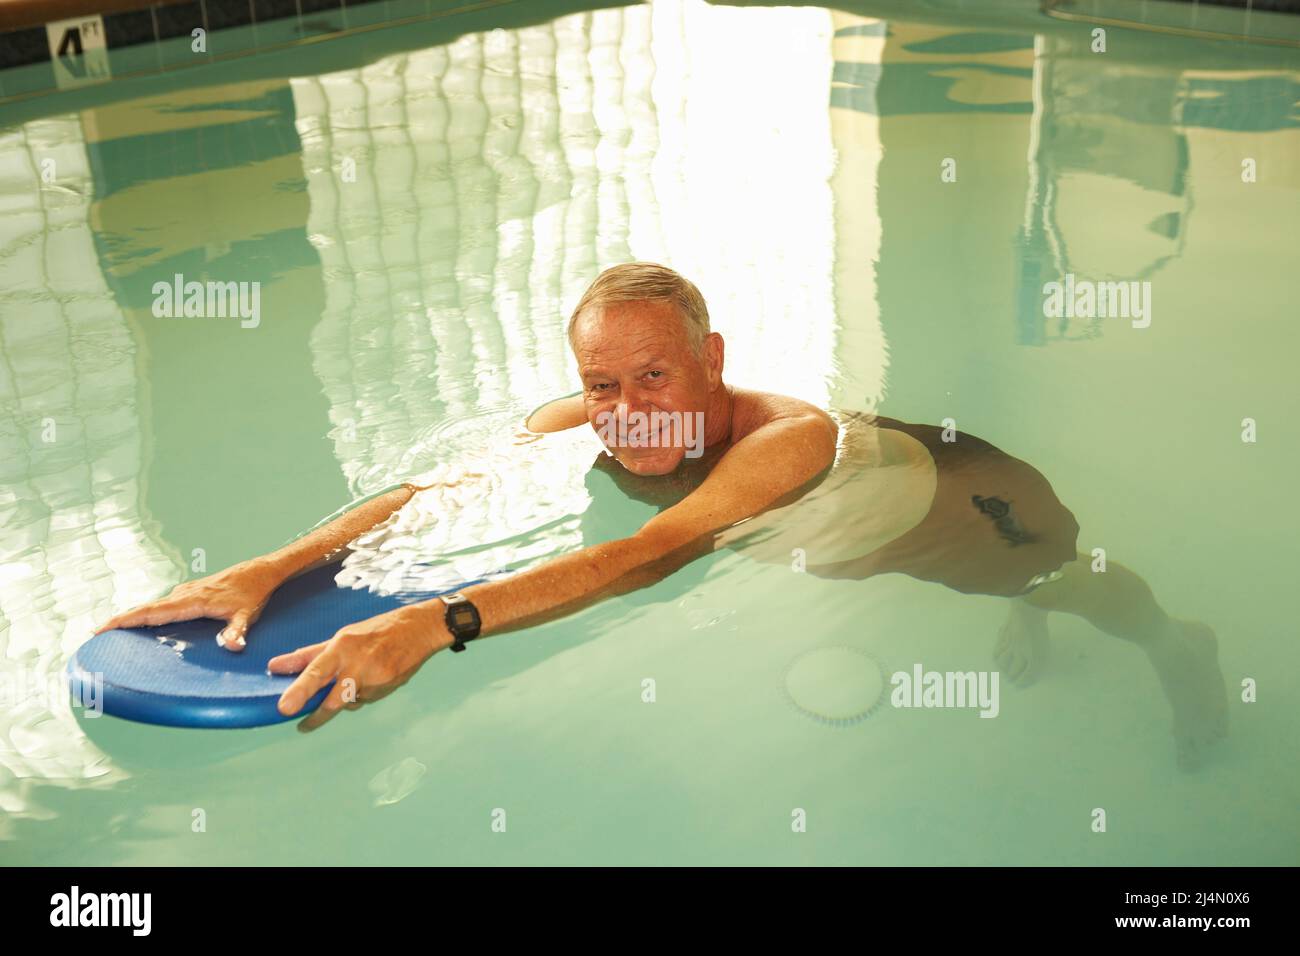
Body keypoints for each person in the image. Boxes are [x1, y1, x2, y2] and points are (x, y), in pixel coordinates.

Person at [95, 262, 1227, 768]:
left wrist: (437, 621)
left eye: (654, 379)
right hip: (850, 543)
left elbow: (651, 553)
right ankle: (1030, 615)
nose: (624, 414)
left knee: (1064, 589)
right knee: (990, 596)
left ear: (712, 359)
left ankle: (1185, 650)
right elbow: (435, 488)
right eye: (600, 385)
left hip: (973, 510)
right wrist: (277, 562)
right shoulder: (581, 416)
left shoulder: (778, 442)